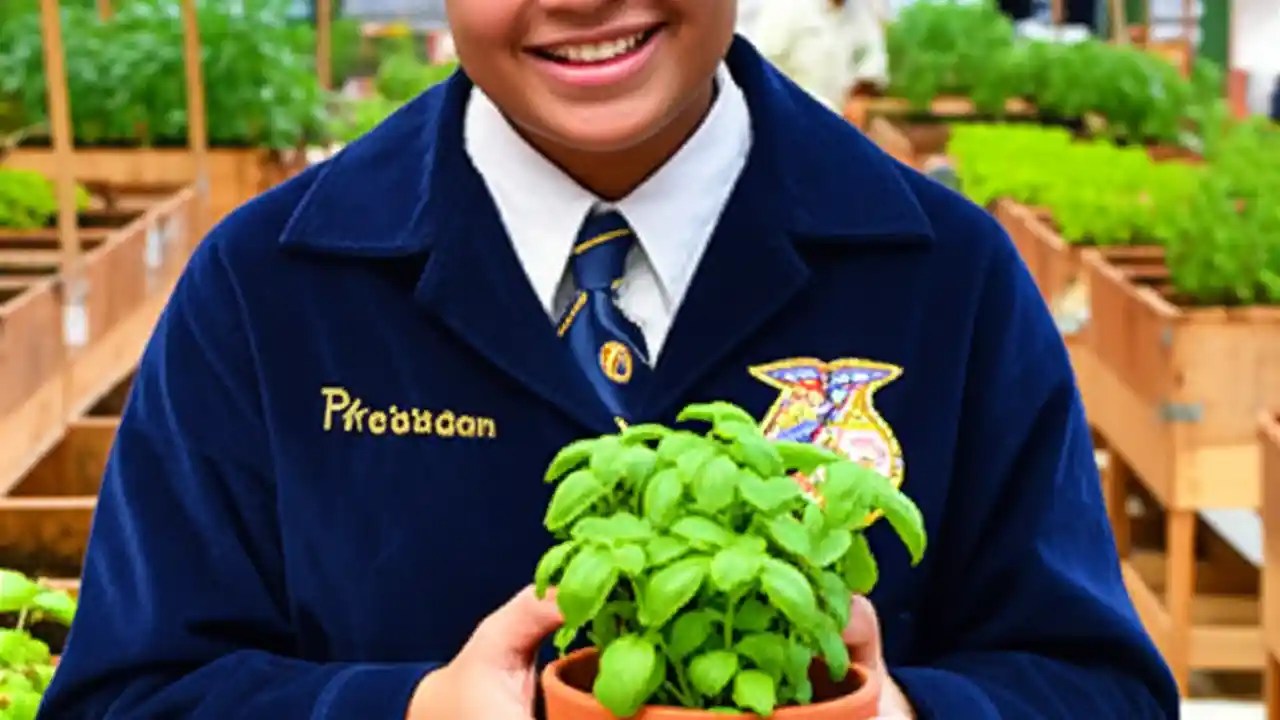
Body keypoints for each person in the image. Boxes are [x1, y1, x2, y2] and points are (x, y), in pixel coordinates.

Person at [39, 0, 1178, 718]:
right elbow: (126, 694)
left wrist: (900, 713)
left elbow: (1100, 688)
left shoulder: (945, 277)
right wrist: (409, 712)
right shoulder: (269, 287)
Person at [742, 0, 888, 111]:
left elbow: (871, 69)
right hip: (788, 120)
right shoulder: (787, 8)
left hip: (839, 126)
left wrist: (859, 101)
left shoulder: (862, 12)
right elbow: (760, 72)